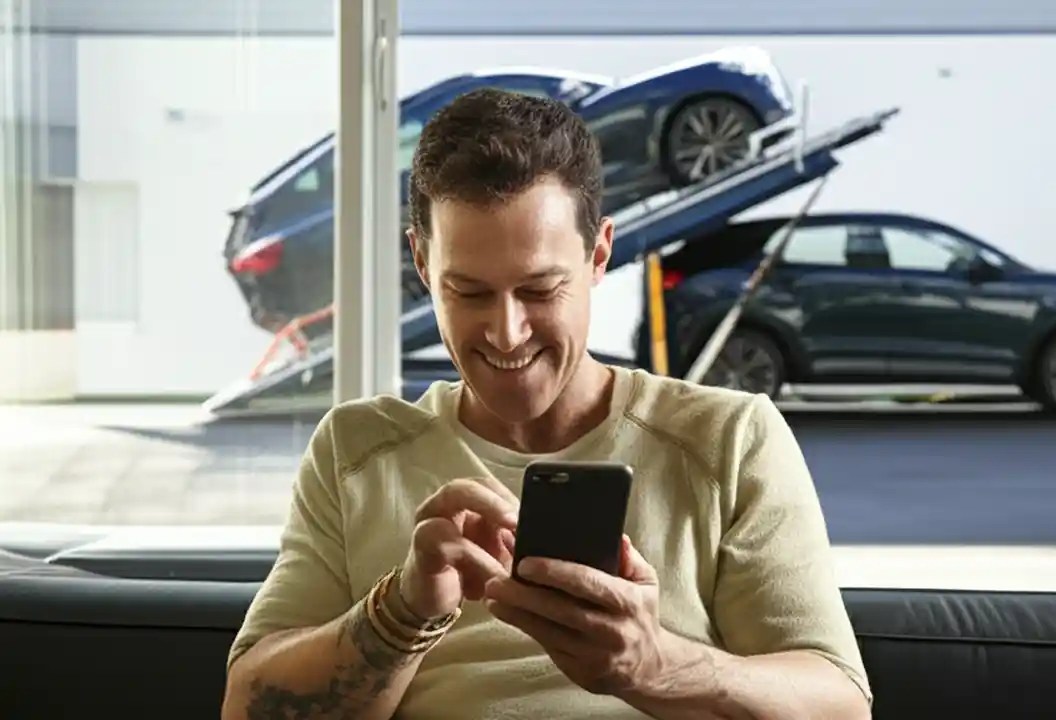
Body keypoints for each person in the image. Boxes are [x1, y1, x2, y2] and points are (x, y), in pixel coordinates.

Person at [221, 88, 873, 720]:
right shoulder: (356, 450)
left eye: (539, 290)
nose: (507, 334)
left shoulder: (730, 439)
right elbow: (246, 706)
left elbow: (841, 707)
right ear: (421, 263)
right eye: (470, 293)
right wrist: (401, 613)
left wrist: (655, 665)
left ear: (599, 255)